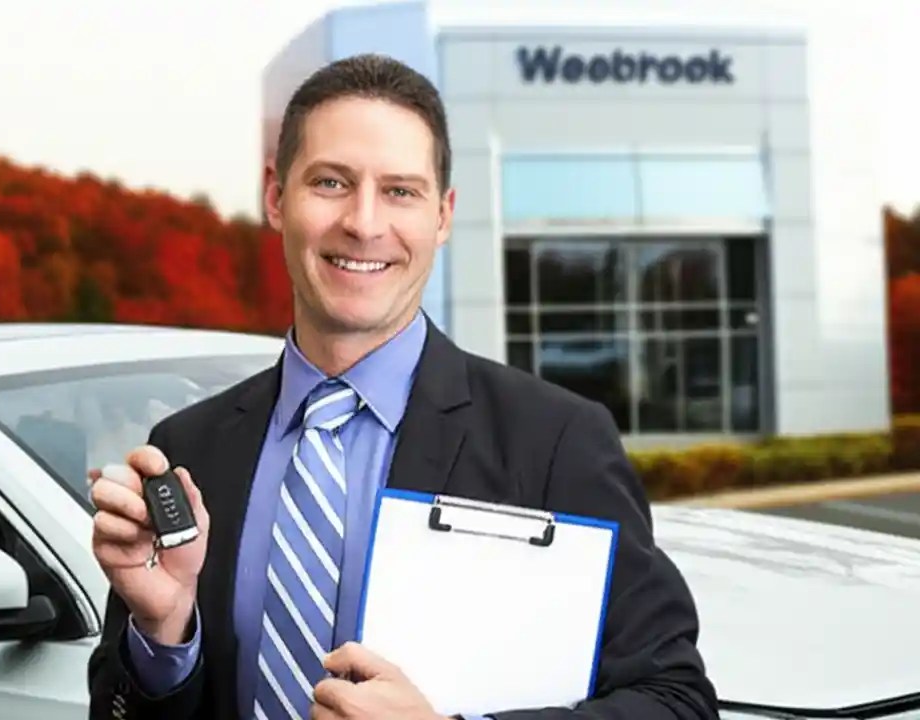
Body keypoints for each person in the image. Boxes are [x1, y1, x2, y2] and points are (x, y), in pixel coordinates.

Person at [85, 53, 718, 720]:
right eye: (331, 182)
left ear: (443, 216)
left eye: (400, 191)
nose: (363, 223)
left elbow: (675, 703)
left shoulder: (555, 441)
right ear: (276, 197)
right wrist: (162, 636)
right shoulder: (190, 449)